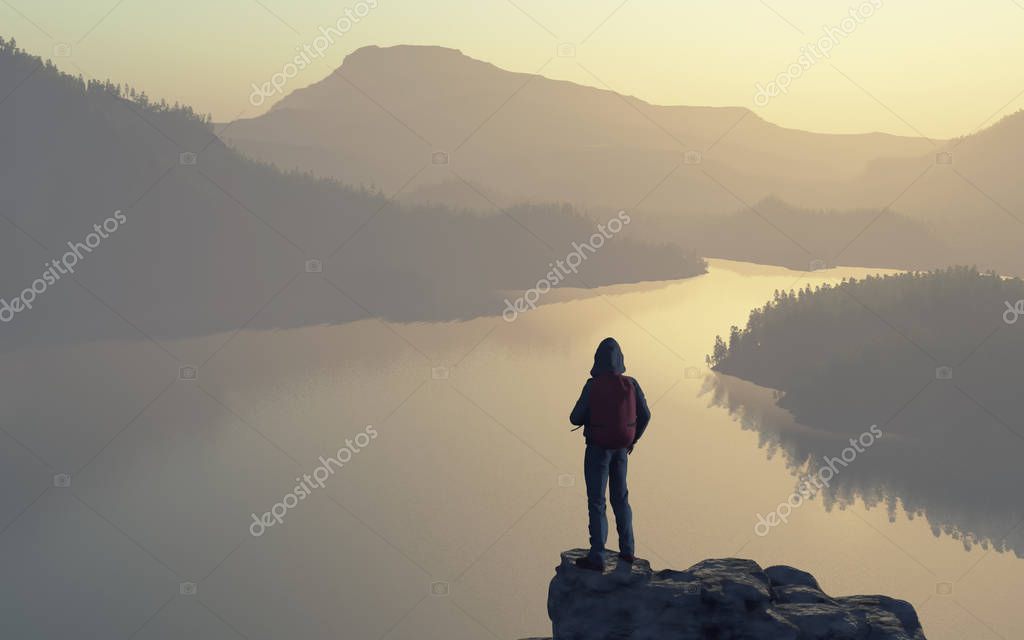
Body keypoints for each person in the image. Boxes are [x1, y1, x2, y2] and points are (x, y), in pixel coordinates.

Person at [569, 337, 651, 571]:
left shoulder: (592, 385)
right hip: (621, 449)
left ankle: (598, 556)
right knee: (621, 499)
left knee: (597, 502)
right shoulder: (631, 384)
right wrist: (632, 439)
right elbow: (646, 415)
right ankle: (627, 553)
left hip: (597, 449)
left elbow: (575, 417)